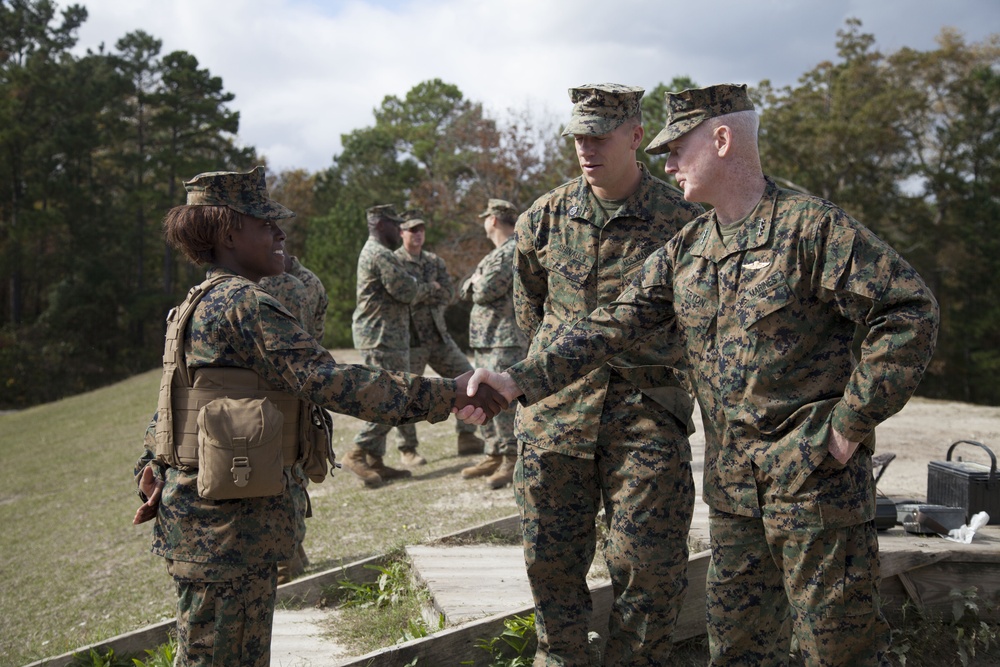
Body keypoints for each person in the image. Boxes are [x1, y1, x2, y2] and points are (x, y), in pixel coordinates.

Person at [468, 83, 940, 666]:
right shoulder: (689, 246)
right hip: (735, 494)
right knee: (737, 652)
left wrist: (852, 420)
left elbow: (907, 310)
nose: (664, 163)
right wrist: (519, 379)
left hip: (813, 489)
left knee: (838, 652)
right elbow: (611, 324)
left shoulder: (809, 228)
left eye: (677, 149)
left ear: (721, 141)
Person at [132, 166, 504, 667]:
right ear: (227, 234)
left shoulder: (195, 303)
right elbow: (330, 381)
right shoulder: (244, 304)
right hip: (228, 531)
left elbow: (176, 404)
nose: (280, 234)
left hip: (208, 522)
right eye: (266, 224)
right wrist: (449, 394)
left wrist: (152, 464)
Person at [496, 83, 705, 665]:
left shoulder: (682, 221)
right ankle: (559, 657)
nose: (587, 149)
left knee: (650, 563)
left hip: (646, 414)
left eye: (600, 137)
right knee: (551, 559)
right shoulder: (544, 217)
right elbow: (529, 312)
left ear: (636, 136)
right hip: (556, 417)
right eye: (579, 137)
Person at [347, 204, 442, 486]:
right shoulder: (379, 254)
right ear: (380, 225)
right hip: (382, 338)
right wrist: (430, 287)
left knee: (387, 396)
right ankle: (358, 451)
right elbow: (407, 291)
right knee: (395, 398)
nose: (400, 230)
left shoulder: (378, 253)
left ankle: (375, 460)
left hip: (386, 337)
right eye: (395, 224)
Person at [393, 212, 485, 465]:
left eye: (420, 228)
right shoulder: (394, 262)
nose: (418, 233)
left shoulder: (434, 261)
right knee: (407, 393)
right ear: (401, 233)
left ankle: (467, 437)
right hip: (411, 339)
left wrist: (428, 291)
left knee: (469, 378)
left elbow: (448, 294)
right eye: (412, 229)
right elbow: (404, 296)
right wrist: (429, 289)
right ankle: (407, 449)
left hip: (438, 336)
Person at [259, 253, 328, 582]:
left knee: (280, 475)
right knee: (293, 470)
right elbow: (316, 332)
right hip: (301, 387)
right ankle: (294, 551)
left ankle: (287, 561)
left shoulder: (274, 284)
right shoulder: (310, 280)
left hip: (273, 390)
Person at [458, 198, 528, 489]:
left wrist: (476, 280)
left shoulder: (510, 250)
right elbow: (466, 288)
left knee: (502, 401)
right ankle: (495, 453)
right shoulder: (498, 252)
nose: (484, 221)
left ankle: (512, 459)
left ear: (494, 220)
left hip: (504, 338)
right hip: (489, 338)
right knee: (484, 396)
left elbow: (484, 289)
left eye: (486, 216)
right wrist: (474, 281)